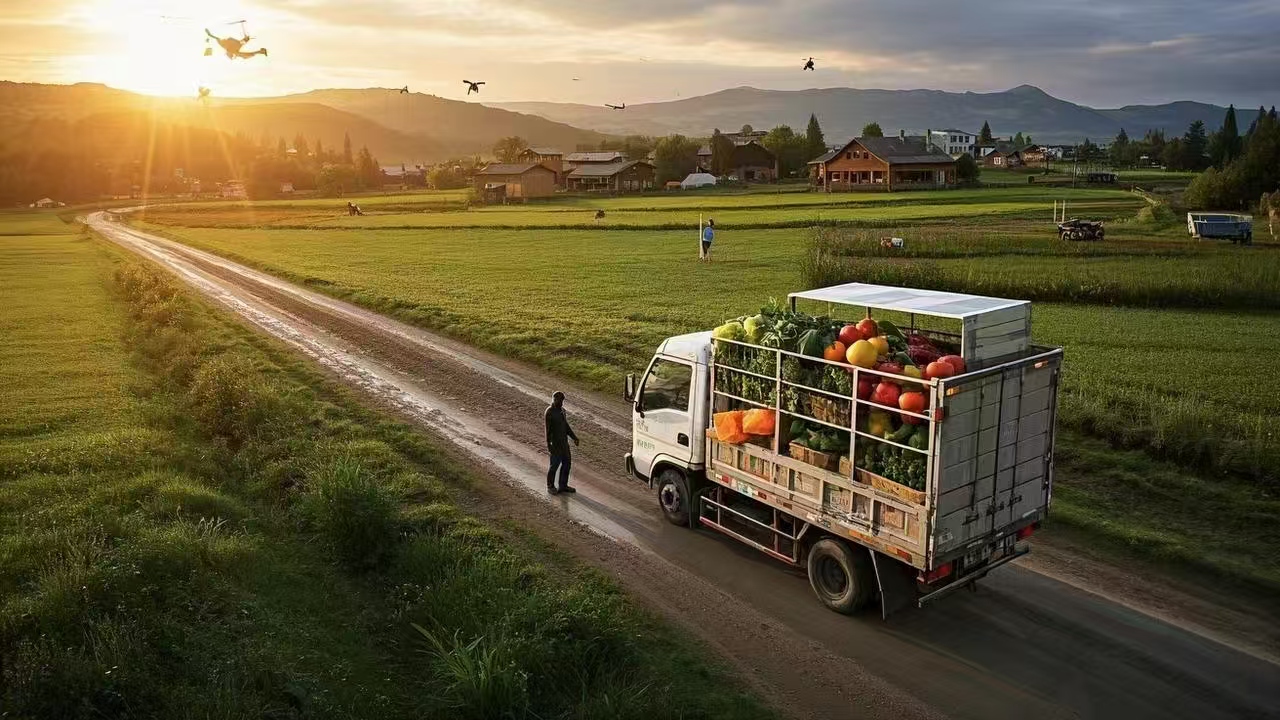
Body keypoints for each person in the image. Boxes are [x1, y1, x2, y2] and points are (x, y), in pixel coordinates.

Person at [544, 391, 579, 494]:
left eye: (562, 400)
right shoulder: (549, 412)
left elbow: (566, 426)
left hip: (564, 443)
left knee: (567, 464)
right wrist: (549, 445)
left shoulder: (562, 411)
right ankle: (550, 486)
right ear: (554, 399)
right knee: (554, 466)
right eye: (559, 400)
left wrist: (574, 437)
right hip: (555, 444)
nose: (561, 402)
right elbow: (548, 430)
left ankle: (563, 485)